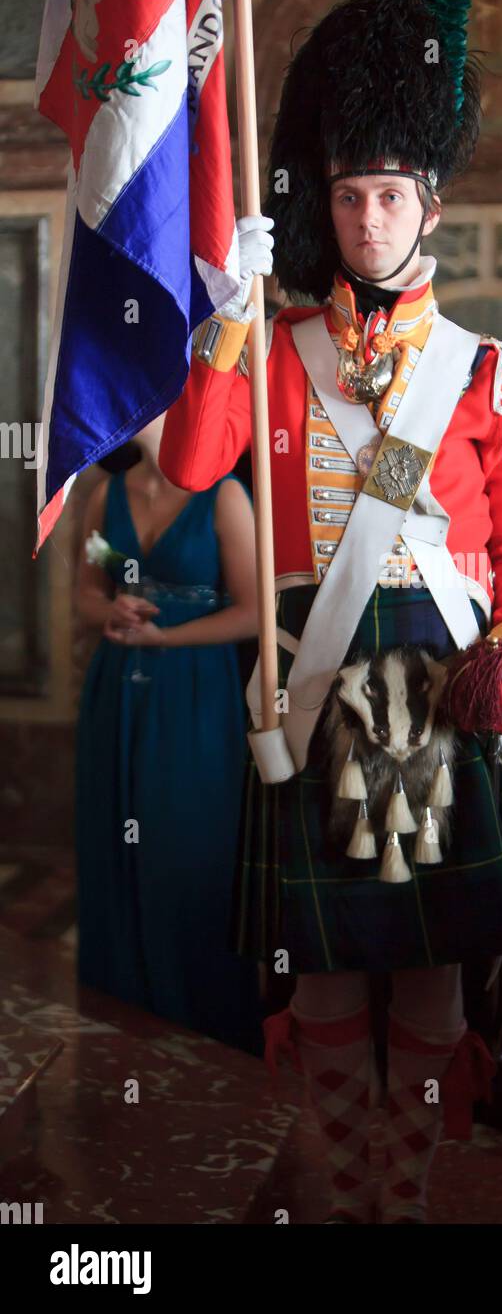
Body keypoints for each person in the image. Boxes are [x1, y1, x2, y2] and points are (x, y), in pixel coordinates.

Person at [159, 0, 502, 1223]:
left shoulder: (489, 374)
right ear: (319, 205)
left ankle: (408, 1192)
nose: (367, 219)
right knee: (325, 982)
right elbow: (183, 465)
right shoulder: (273, 348)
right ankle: (343, 1187)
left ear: (429, 203)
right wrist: (225, 322)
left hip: (440, 685)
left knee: (432, 979)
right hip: (316, 680)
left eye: (388, 194)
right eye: (346, 195)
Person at [74, 416, 264, 1054]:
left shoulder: (225, 495)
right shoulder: (106, 494)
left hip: (195, 694)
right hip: (117, 690)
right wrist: (112, 609)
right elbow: (88, 587)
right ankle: (121, 1012)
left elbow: (254, 610)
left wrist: (169, 637)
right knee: (116, 836)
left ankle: (199, 1019)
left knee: (186, 845)